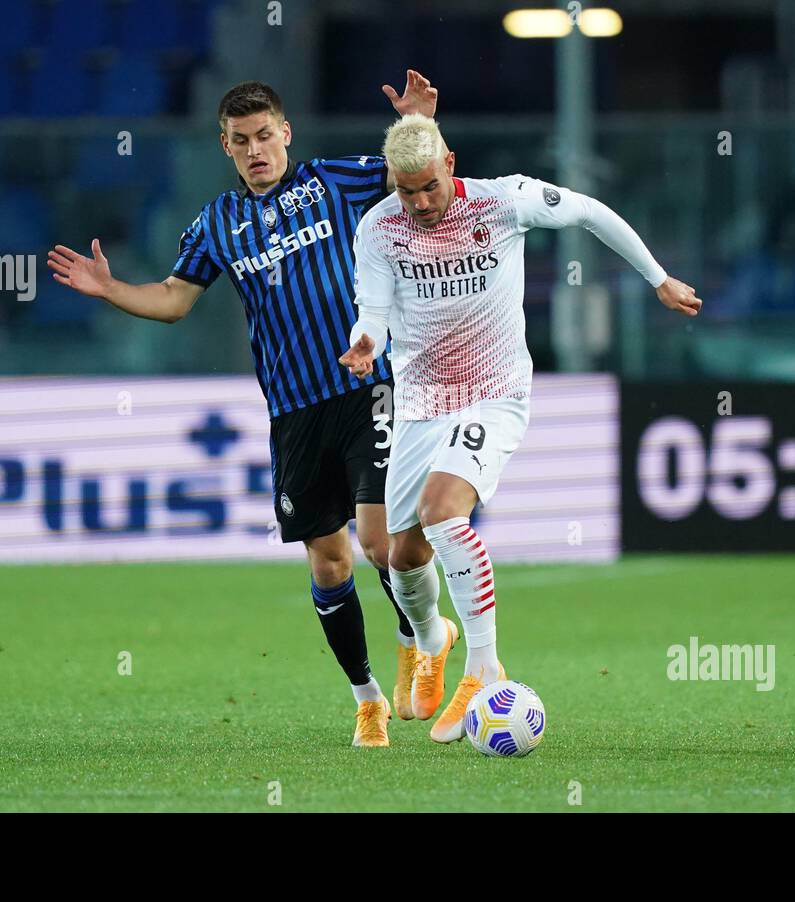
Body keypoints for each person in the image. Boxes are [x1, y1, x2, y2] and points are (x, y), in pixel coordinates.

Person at [48, 73, 440, 748]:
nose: (256, 149)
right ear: (225, 147)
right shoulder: (216, 225)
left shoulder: (335, 181)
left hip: (367, 385)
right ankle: (366, 698)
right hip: (293, 412)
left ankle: (421, 641)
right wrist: (111, 289)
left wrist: (417, 128)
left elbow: (420, 174)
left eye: (265, 136)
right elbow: (173, 301)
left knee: (379, 541)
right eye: (241, 141)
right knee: (329, 563)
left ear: (285, 133)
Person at [339, 114, 702, 742]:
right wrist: (365, 342)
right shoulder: (378, 228)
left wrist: (659, 279)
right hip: (420, 403)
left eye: (429, 186)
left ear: (449, 162)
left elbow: (590, 212)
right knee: (399, 557)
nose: (421, 202)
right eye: (407, 190)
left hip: (494, 391)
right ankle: (434, 637)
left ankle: (483, 668)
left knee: (443, 513)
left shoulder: (503, 201)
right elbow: (372, 310)